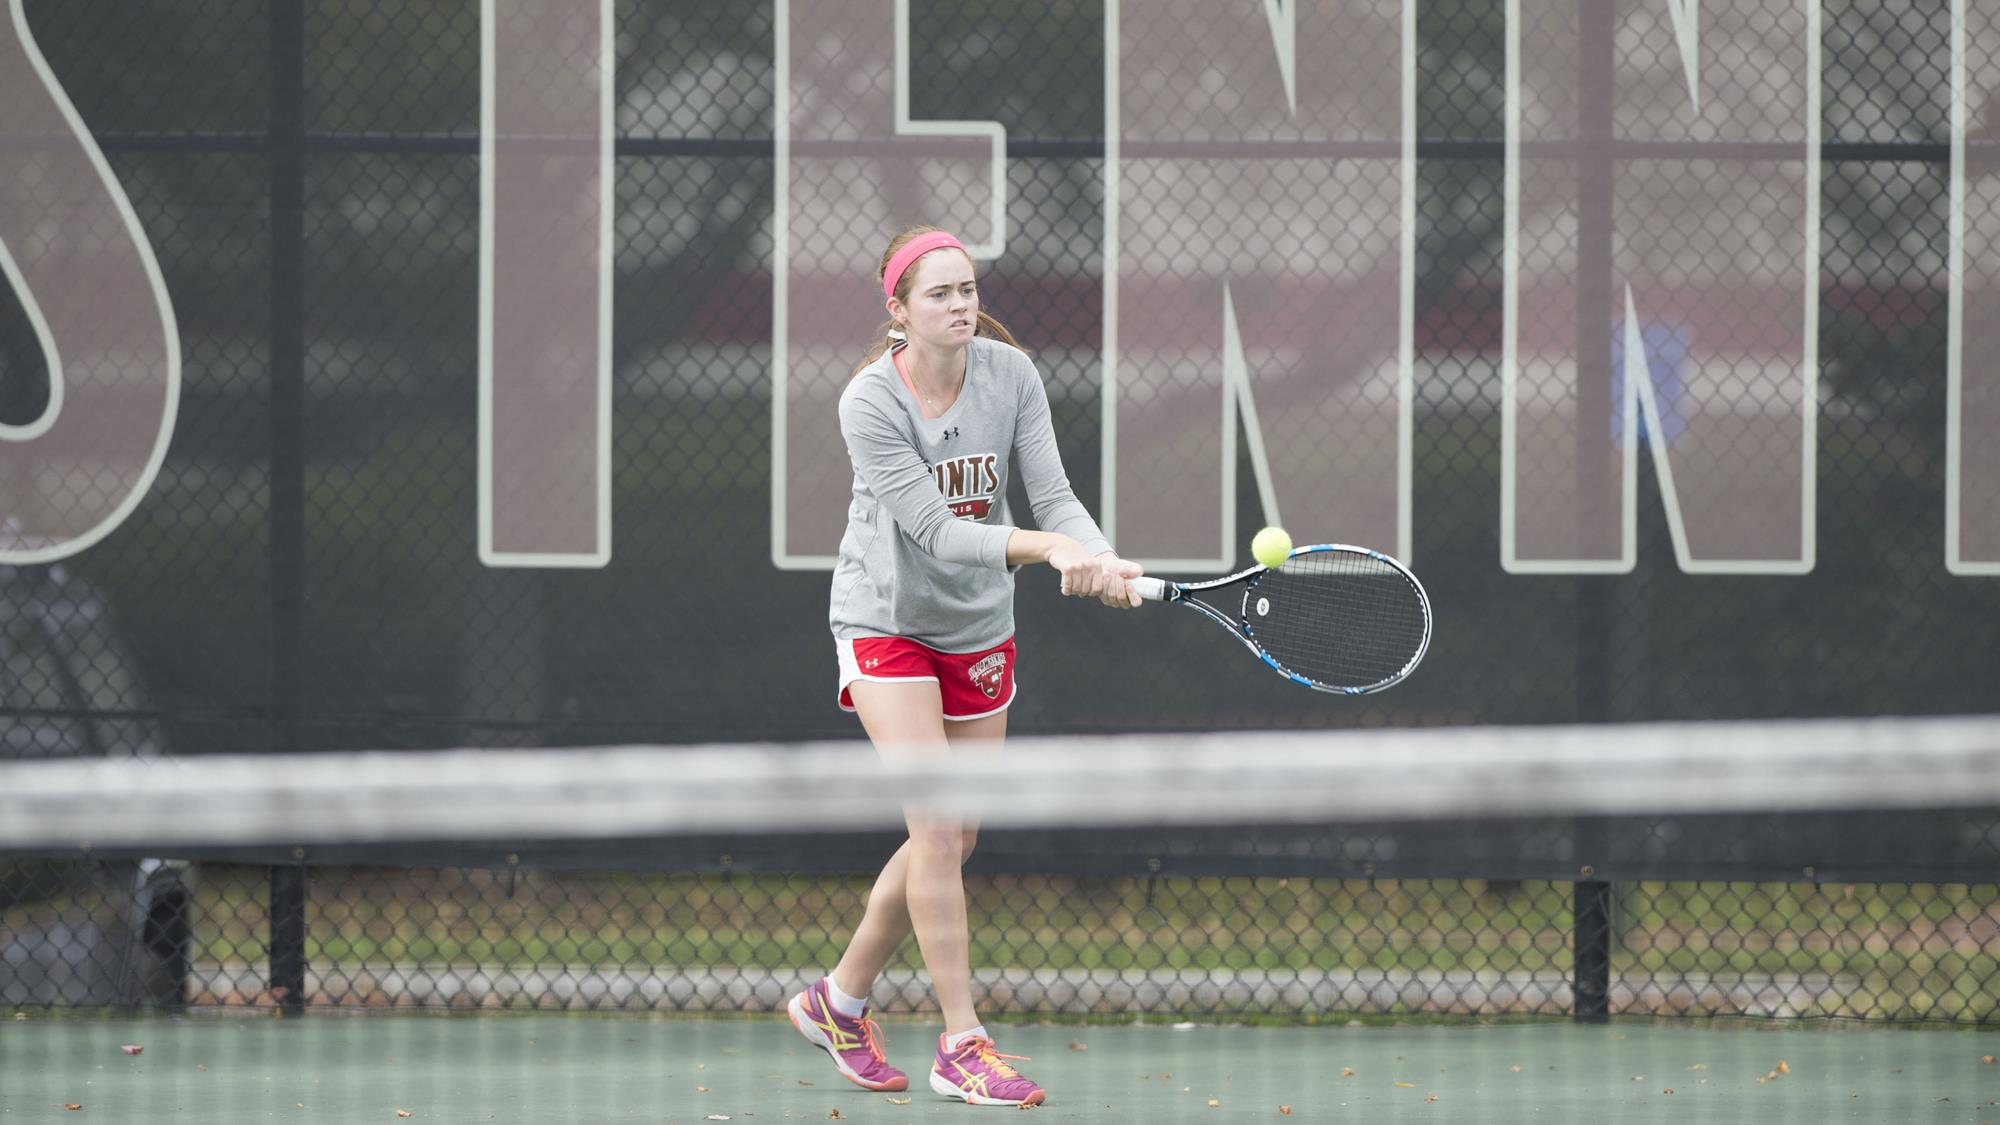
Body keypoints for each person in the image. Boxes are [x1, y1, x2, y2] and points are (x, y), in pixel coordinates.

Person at [787, 227, 1144, 1108]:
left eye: (969, 288)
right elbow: (938, 533)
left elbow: (1054, 496)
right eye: (939, 293)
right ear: (898, 311)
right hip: (885, 621)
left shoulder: (1011, 377)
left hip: (977, 628)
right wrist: (1051, 551)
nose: (961, 304)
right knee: (939, 828)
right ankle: (963, 1041)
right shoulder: (868, 402)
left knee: (952, 837)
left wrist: (1101, 559)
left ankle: (837, 1001)